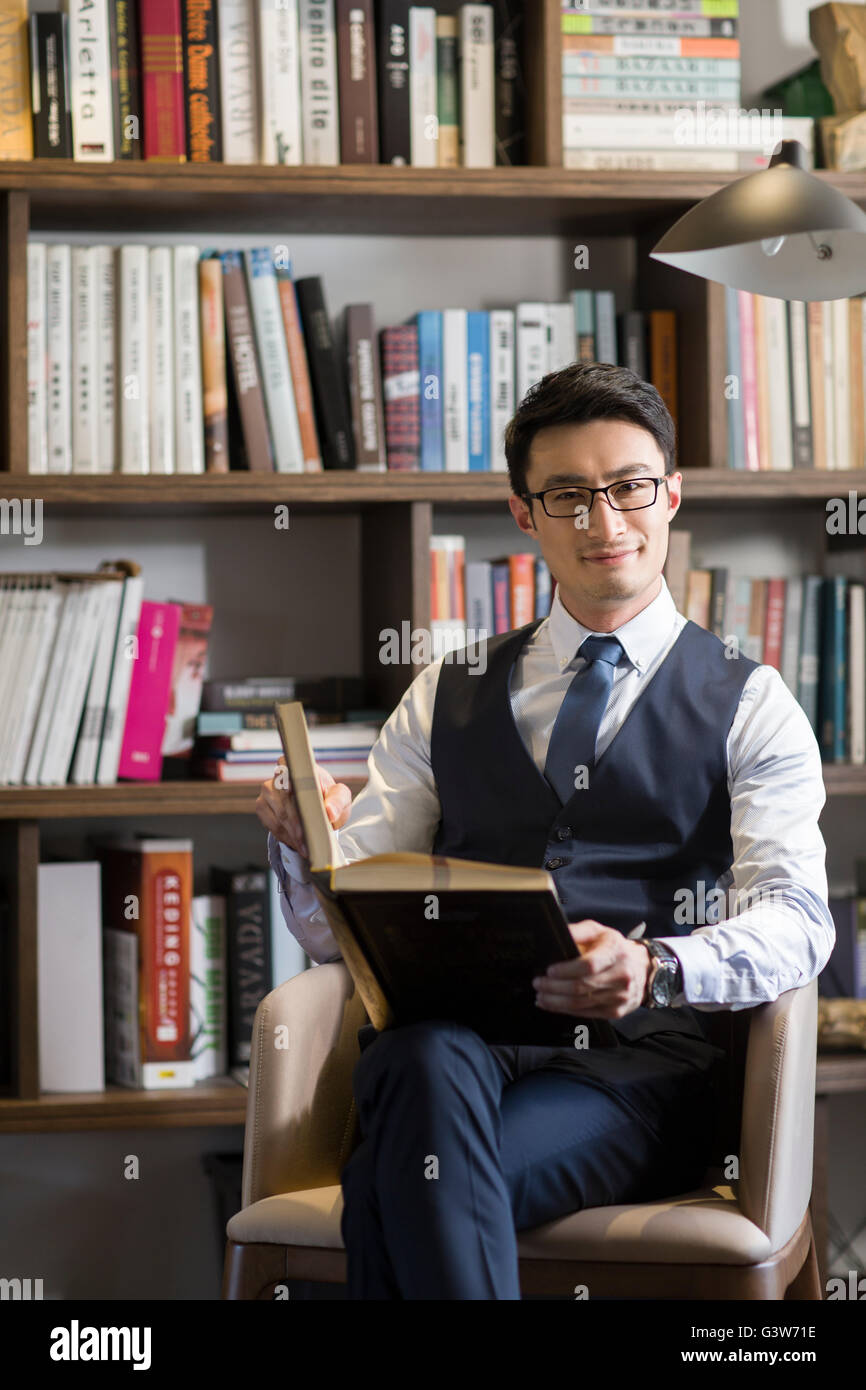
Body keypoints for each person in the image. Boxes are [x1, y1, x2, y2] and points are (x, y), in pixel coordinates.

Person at [255, 360, 835, 1300]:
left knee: (393, 1178)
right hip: (453, 1054)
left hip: (640, 1073)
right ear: (524, 515)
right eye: (568, 495)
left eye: (630, 488)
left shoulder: (752, 703)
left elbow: (801, 920)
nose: (605, 523)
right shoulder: (443, 691)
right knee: (414, 1056)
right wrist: (302, 845)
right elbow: (334, 936)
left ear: (672, 494)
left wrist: (658, 966)